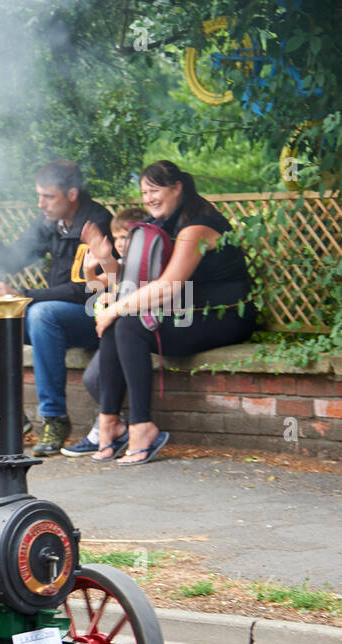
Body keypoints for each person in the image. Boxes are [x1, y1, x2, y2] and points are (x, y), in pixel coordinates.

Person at [87, 160, 257, 466]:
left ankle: (141, 427)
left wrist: (114, 310)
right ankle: (109, 422)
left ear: (177, 187)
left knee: (127, 325)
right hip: (188, 313)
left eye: (155, 190)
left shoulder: (199, 225)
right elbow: (139, 280)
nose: (148, 198)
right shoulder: (167, 223)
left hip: (226, 318)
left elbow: (168, 287)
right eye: (144, 192)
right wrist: (109, 287)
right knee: (120, 323)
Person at [0, 160, 114, 454]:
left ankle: (55, 418)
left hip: (93, 313)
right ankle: (4, 419)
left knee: (41, 313)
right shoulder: (49, 221)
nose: (41, 203)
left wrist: (23, 294)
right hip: (56, 313)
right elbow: (12, 261)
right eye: (39, 195)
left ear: (71, 194)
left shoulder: (95, 221)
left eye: (48, 197)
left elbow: (86, 287)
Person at [61, 206, 146, 457]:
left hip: (134, 333)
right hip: (115, 335)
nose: (121, 243)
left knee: (97, 378)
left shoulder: (143, 263)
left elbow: (121, 281)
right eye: (117, 237)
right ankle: (113, 425)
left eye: (126, 237)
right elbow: (98, 283)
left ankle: (108, 428)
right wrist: (90, 268)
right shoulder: (122, 262)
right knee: (93, 378)